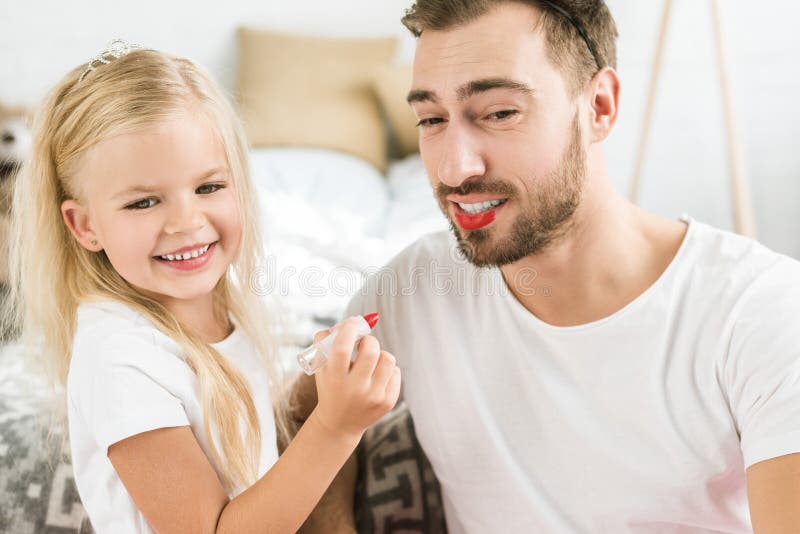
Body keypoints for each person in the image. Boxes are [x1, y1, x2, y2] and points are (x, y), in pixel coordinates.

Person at [296, 1, 800, 532]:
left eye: (499, 113)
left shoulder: (761, 313)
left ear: (599, 106)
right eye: (431, 120)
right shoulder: (412, 291)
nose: (454, 167)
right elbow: (305, 410)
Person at [2, 41, 401, 533]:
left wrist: (309, 395)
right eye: (144, 202)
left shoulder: (217, 301)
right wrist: (335, 428)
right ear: (85, 226)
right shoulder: (118, 356)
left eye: (209, 187)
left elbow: (237, 448)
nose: (187, 222)